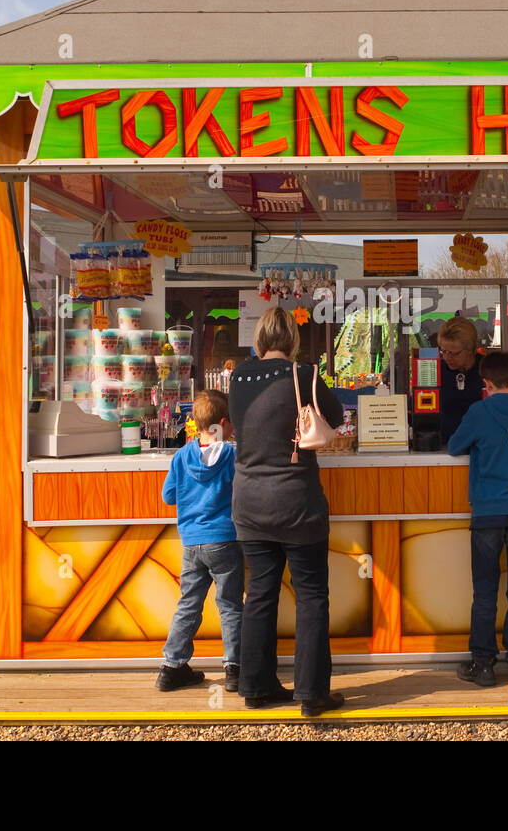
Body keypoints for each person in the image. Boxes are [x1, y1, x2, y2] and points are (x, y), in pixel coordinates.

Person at [228, 306, 345, 717]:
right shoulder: (305, 375)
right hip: (297, 503)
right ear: (293, 341)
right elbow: (336, 416)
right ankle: (312, 694)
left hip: (249, 503)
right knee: (311, 597)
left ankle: (256, 687)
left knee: (259, 594)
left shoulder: (238, 377)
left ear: (258, 339)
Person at [446, 350, 508, 688]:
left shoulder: (479, 410)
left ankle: (483, 664)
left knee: (484, 592)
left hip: (487, 512)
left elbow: (454, 446)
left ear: (484, 383)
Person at [157, 390, 243, 693]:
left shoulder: (182, 456)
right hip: (224, 540)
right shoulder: (232, 455)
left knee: (189, 604)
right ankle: (234, 668)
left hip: (191, 543)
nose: (233, 428)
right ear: (222, 424)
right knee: (230, 605)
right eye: (231, 423)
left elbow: (169, 496)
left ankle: (171, 667)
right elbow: (241, 494)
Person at [437, 316, 484, 444]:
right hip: (444, 447)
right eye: (444, 351)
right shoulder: (436, 371)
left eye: (455, 353)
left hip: (482, 445)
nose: (447, 358)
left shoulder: (488, 369)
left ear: (470, 349)